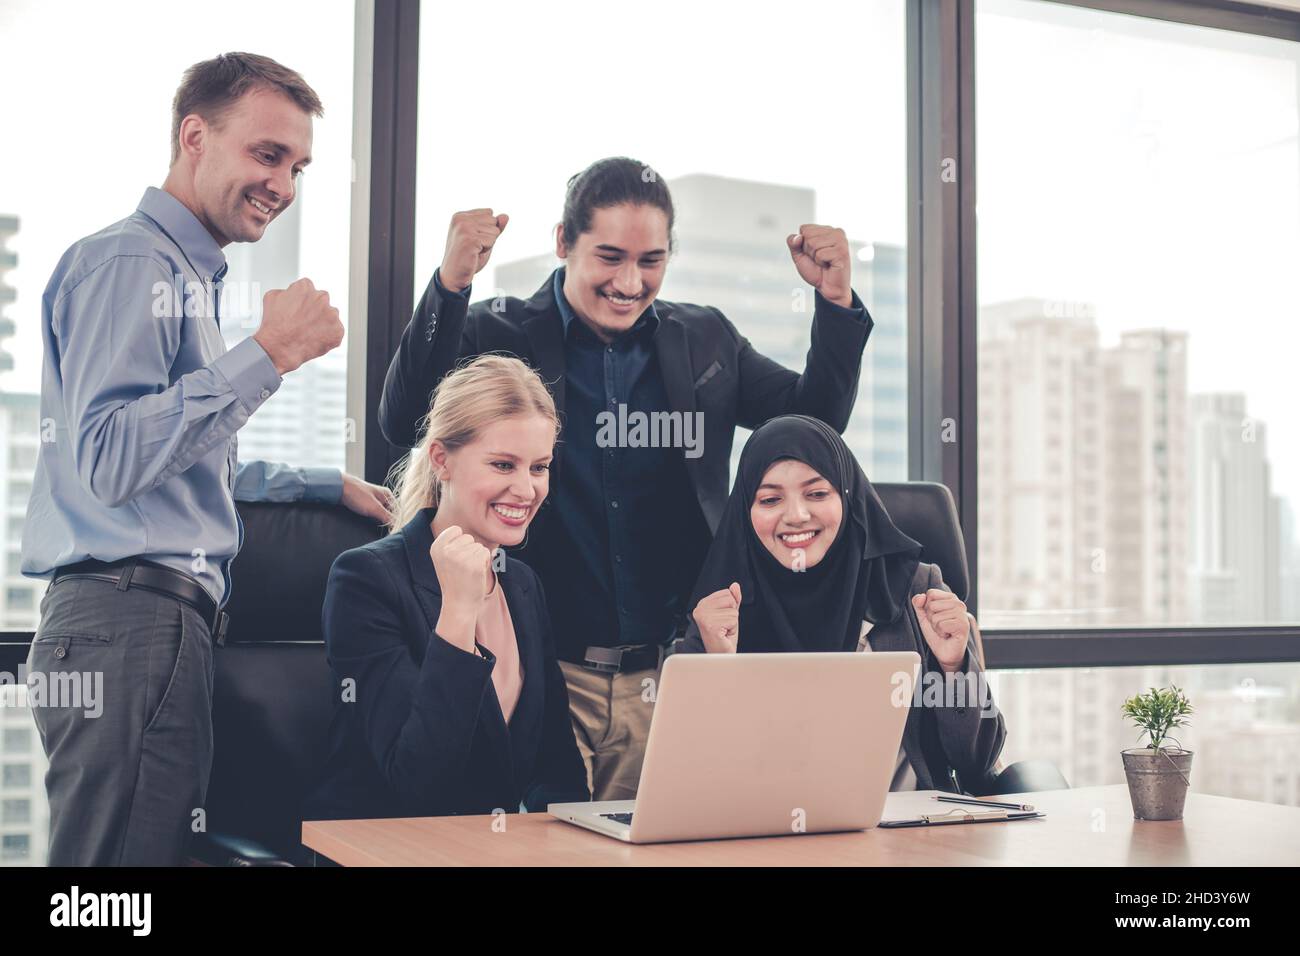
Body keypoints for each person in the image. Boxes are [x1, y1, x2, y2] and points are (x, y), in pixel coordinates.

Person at [379, 156, 875, 800]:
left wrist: (834, 303)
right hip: (542, 667)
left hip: (670, 670)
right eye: (609, 257)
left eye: (651, 261)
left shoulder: (706, 339)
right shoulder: (498, 330)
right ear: (563, 242)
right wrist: (450, 284)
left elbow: (813, 428)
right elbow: (404, 418)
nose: (630, 281)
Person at [21, 52, 392, 866]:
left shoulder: (185, 277)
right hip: (130, 622)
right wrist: (270, 351)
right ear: (195, 135)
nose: (285, 184)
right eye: (267, 154)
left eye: (297, 165)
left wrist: (326, 484)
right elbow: (113, 459)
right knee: (117, 894)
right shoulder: (135, 263)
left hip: (150, 627)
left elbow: (187, 463)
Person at [307, 355, 588, 821]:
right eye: (503, 464)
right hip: (389, 848)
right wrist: (458, 609)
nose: (526, 489)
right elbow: (419, 784)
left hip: (492, 850)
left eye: (539, 468)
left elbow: (557, 767)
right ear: (442, 460)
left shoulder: (521, 585)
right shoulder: (367, 579)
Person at [681, 414, 1006, 793]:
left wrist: (954, 668)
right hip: (766, 835)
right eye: (770, 499)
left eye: (817, 494)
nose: (797, 515)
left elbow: (979, 763)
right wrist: (718, 667)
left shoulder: (913, 590)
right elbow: (694, 777)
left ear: (847, 497)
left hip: (905, 834)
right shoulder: (721, 611)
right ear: (745, 513)